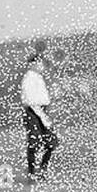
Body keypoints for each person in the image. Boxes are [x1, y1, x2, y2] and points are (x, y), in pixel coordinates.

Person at [20, 51, 59, 179]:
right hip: (33, 112)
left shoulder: (39, 77)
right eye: (39, 63)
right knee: (34, 142)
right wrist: (43, 117)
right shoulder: (29, 78)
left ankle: (43, 170)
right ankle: (32, 173)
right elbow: (31, 101)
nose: (42, 66)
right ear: (33, 64)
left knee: (51, 142)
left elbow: (44, 98)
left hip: (42, 111)